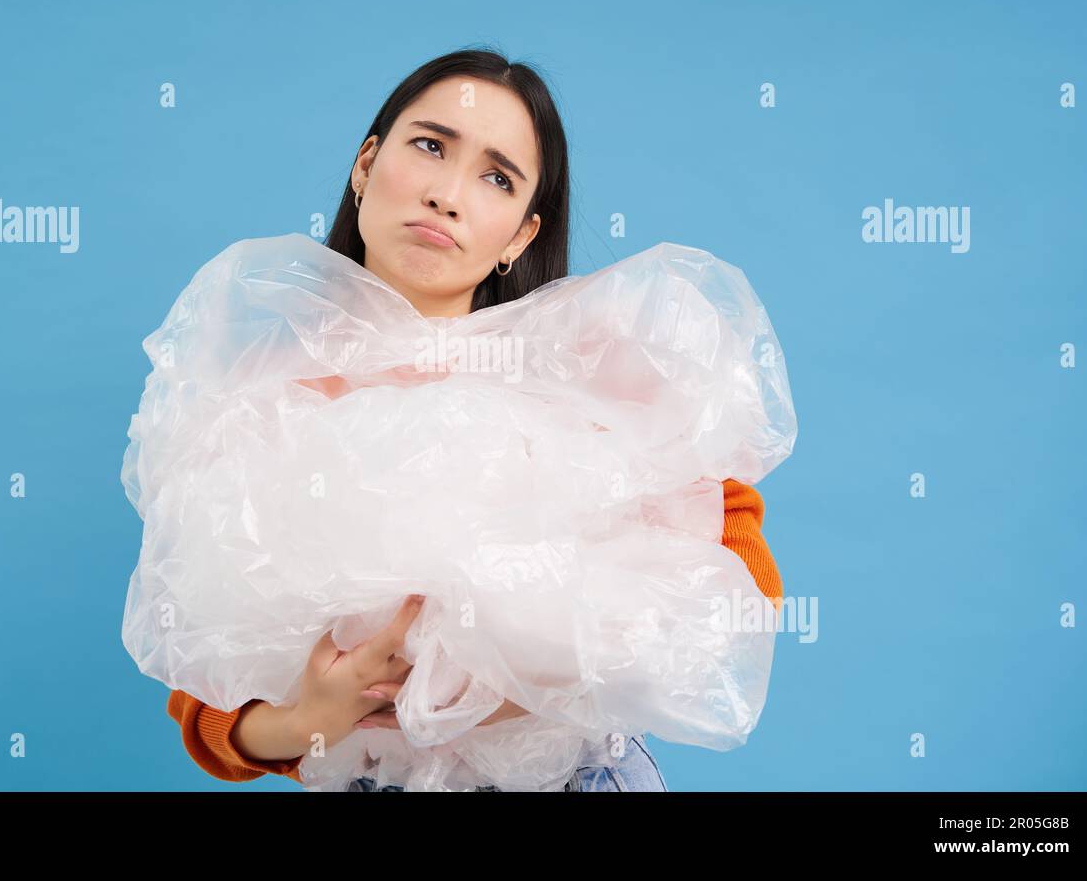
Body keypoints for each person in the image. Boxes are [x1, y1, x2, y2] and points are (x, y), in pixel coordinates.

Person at [163, 46, 785, 791]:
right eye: (430, 145)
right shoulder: (268, 403)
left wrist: (520, 683)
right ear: (366, 165)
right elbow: (205, 699)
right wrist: (317, 716)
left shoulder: (587, 369)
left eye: (497, 177)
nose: (448, 194)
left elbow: (735, 583)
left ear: (521, 234)